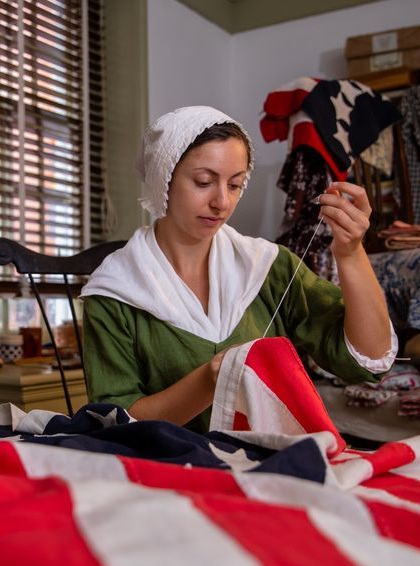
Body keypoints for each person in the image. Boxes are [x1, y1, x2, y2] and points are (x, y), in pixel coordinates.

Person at [81, 106, 396, 434]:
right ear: (164, 179)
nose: (222, 202)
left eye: (235, 185)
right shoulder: (116, 289)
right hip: (173, 471)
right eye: (204, 182)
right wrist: (211, 378)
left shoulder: (266, 266)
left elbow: (368, 359)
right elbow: (115, 424)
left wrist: (351, 253)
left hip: (269, 464)